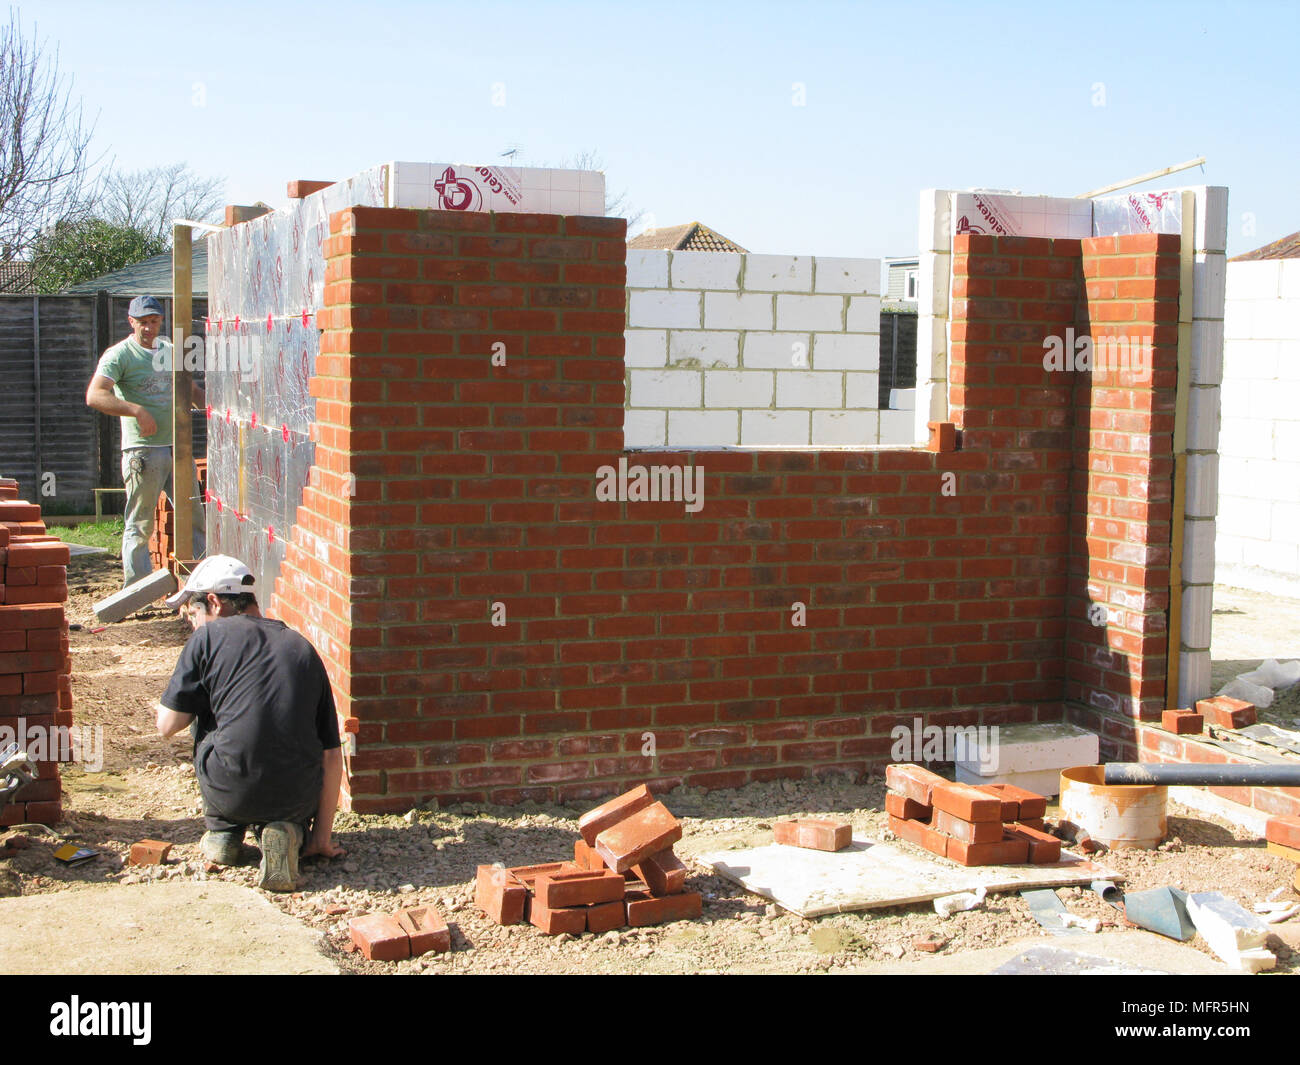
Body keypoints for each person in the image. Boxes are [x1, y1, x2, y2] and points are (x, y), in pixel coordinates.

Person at [154, 555, 346, 891]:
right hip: (295, 795)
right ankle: (291, 832)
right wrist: (321, 838)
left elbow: (167, 726)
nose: (193, 625)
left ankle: (223, 833)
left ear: (213, 602)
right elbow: (332, 755)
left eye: (193, 615)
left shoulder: (207, 639)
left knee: (207, 715)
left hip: (231, 789)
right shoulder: (302, 647)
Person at [85, 294, 207, 588]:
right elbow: (95, 395)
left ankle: (200, 586)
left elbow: (189, 388)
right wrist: (136, 410)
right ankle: (137, 589)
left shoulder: (168, 349)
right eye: (143, 323)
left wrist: (218, 409)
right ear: (131, 322)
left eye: (154, 321)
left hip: (178, 449)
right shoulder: (119, 355)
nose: (149, 328)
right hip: (143, 452)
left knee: (194, 518)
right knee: (140, 524)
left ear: (160, 321)